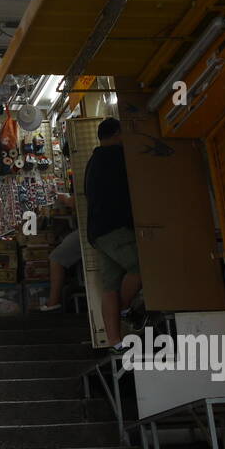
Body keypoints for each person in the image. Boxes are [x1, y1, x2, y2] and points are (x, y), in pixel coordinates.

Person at [84, 118, 142, 347]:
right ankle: (125, 307)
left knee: (109, 285)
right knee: (140, 267)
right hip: (114, 229)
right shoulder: (119, 157)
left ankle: (114, 341)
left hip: (97, 232)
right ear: (118, 133)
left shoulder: (92, 161)